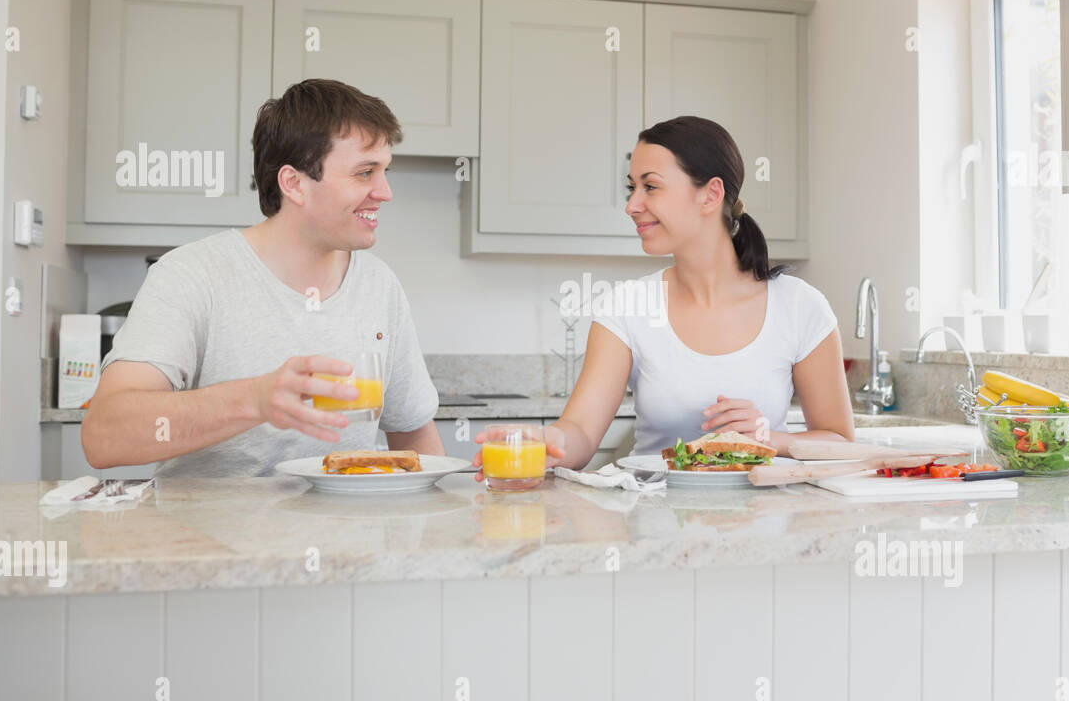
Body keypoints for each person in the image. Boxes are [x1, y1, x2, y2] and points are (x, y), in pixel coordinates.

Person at [82, 79, 443, 476]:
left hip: (348, 537)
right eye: (364, 172)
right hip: (206, 538)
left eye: (384, 171)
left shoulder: (379, 285)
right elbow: (103, 436)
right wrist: (255, 399)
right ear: (294, 184)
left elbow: (412, 437)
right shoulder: (191, 276)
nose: (385, 192)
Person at [473, 115, 854, 476]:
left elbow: (839, 442)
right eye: (632, 187)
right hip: (655, 527)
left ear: (710, 195)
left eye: (650, 186)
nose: (632, 205)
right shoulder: (626, 307)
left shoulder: (800, 307)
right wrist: (546, 441)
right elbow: (581, 433)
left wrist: (767, 438)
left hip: (764, 525)